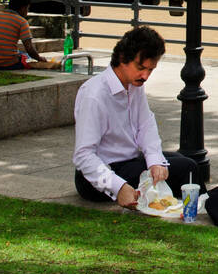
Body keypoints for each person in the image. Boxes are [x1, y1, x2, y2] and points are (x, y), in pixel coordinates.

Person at [72, 26, 203, 208]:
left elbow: (145, 124)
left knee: (185, 163)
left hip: (129, 161)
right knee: (185, 169)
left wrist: (155, 160)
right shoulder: (94, 95)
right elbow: (83, 155)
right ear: (122, 59)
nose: (145, 76)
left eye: (150, 70)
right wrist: (119, 187)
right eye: (141, 68)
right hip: (100, 173)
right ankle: (201, 208)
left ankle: (199, 205)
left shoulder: (134, 86)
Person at [0, 0, 60, 70]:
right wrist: (40, 59)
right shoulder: (21, 21)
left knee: (22, 54)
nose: (27, 12)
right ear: (23, 8)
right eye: (27, 9)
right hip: (8, 64)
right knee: (26, 57)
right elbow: (29, 48)